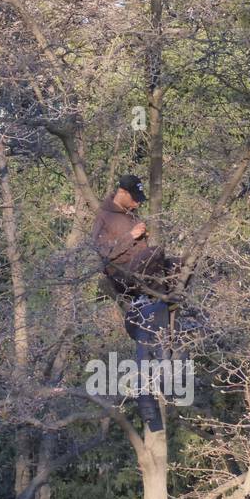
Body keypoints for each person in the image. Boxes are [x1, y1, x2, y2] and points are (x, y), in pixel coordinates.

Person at [91, 175, 186, 432]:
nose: (136, 204)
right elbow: (101, 253)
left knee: (182, 263)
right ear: (121, 192)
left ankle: (169, 301)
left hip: (144, 279)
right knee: (154, 253)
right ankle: (162, 297)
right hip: (124, 276)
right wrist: (131, 237)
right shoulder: (104, 216)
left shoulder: (129, 213)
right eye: (134, 199)